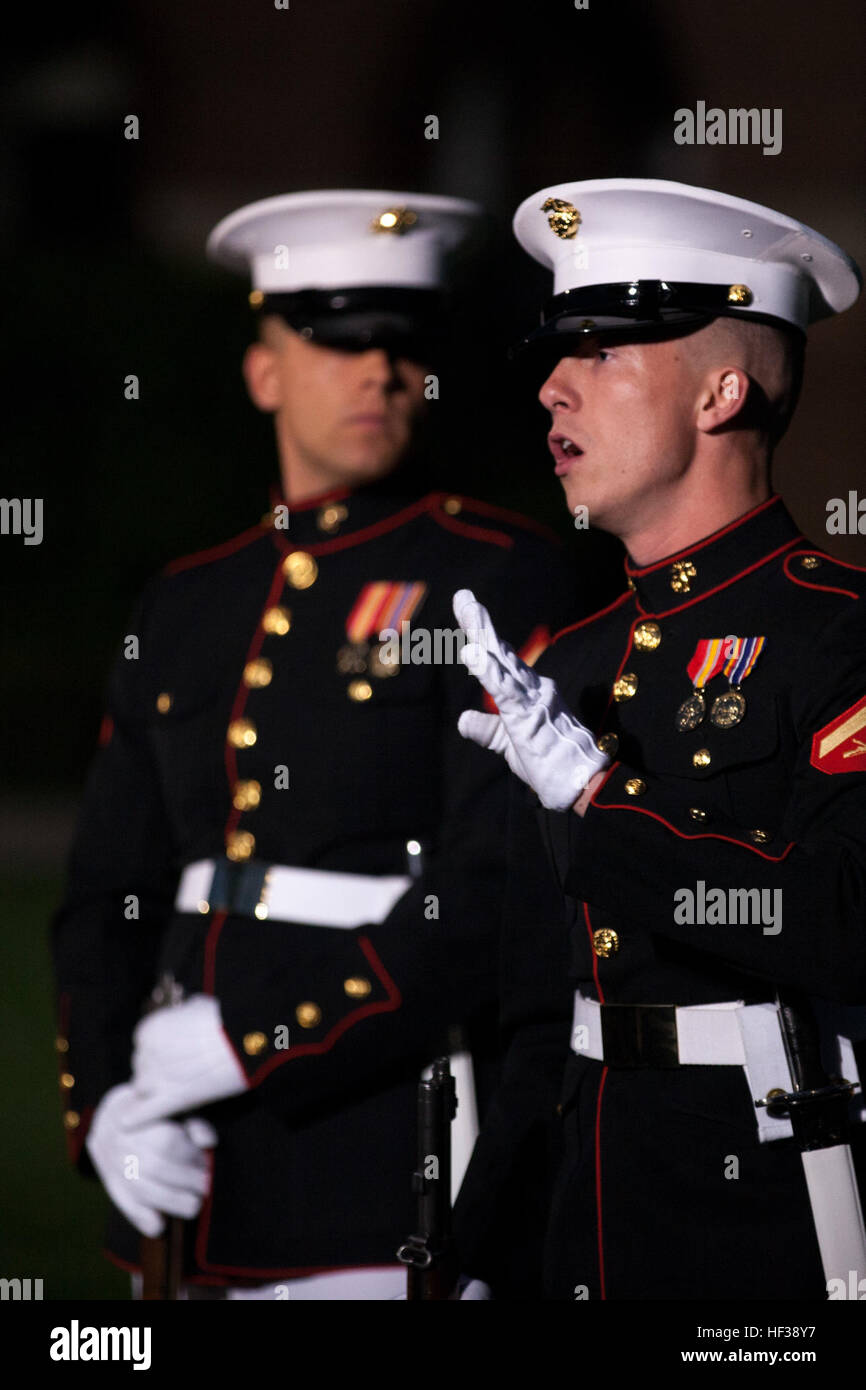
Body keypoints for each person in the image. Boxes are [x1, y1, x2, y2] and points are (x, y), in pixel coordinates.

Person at [51, 189, 574, 1299]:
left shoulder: (491, 573)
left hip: (382, 1152)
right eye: (337, 340)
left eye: (401, 344)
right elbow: (106, 888)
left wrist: (256, 1035)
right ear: (263, 372)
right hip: (183, 1157)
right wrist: (104, 1109)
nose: (378, 371)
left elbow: (488, 889)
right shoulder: (187, 601)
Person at [451, 177, 866, 1300]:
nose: (550, 386)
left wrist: (603, 805)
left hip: (771, 1211)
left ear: (719, 392)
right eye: (555, 350)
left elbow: (840, 917)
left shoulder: (836, 637)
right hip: (586, 1208)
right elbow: (539, 1011)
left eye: (602, 351)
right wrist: (480, 1244)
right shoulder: (573, 663)